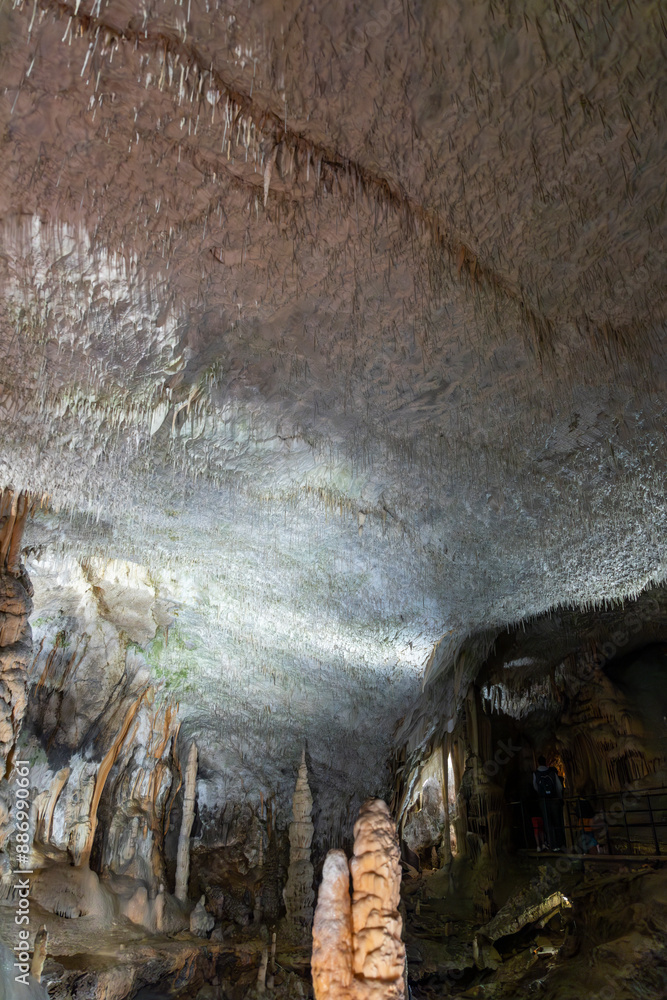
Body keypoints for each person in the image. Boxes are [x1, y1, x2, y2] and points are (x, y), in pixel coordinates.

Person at [533, 756, 565, 850]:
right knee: (557, 822)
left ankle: (552, 844)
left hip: (544, 801)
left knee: (548, 823)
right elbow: (559, 786)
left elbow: (535, 787)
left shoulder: (536, 774)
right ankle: (561, 844)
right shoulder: (551, 772)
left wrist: (540, 795)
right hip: (554, 799)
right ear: (545, 762)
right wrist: (559, 797)